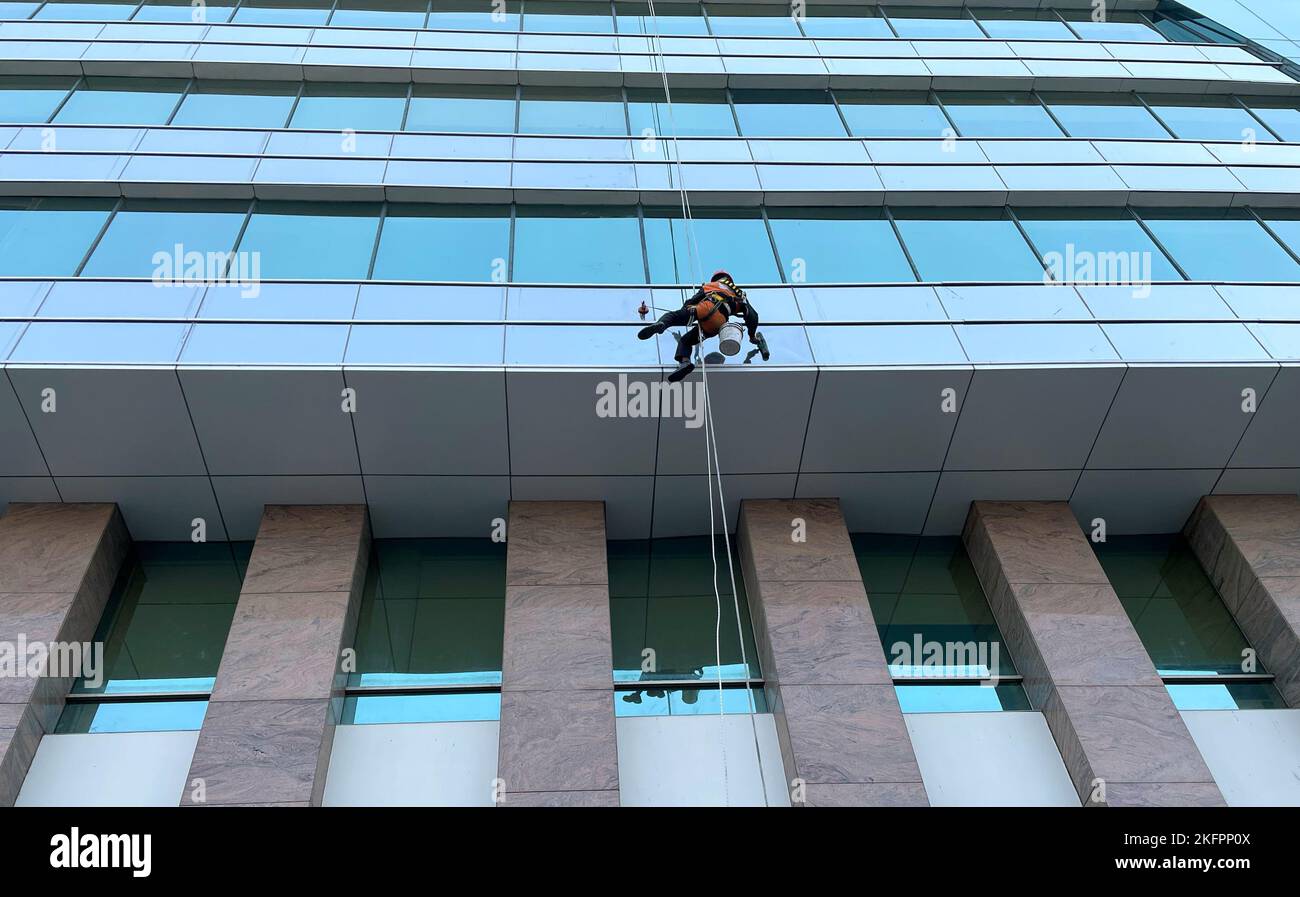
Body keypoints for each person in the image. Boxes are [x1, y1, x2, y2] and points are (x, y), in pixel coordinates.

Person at [637, 270, 768, 382]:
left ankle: (662, 326)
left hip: (705, 308)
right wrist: (752, 336)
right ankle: (685, 364)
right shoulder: (739, 294)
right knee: (687, 340)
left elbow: (691, 301)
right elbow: (752, 315)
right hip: (718, 324)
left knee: (673, 317)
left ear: (716, 278)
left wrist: (686, 311)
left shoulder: (710, 285)